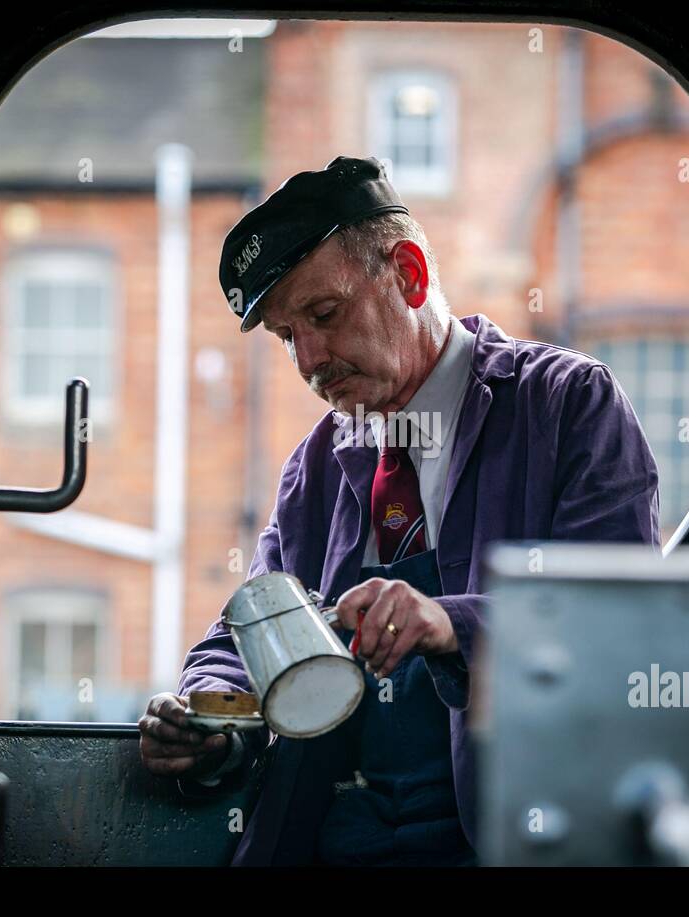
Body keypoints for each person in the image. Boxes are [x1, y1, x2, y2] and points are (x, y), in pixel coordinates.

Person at [139, 156, 660, 865]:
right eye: (288, 336)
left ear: (409, 274)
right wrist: (206, 710)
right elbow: (246, 633)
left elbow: (621, 616)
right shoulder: (316, 466)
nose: (308, 360)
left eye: (323, 315)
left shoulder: (564, 404)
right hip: (334, 837)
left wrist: (450, 623)